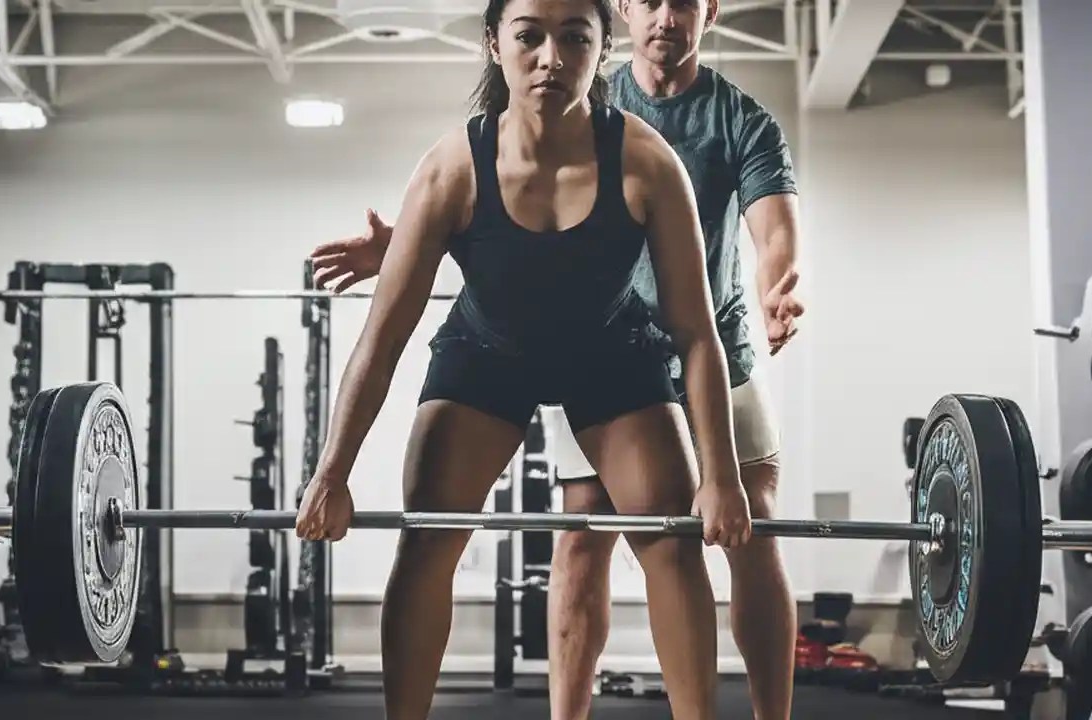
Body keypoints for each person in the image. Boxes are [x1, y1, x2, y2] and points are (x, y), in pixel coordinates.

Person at [310, 0, 803, 718]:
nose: (550, 57)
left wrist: (721, 478)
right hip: (485, 355)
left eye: (574, 38)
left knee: (670, 540)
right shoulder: (451, 167)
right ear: (493, 44)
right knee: (429, 538)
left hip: (611, 353)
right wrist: (332, 474)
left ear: (600, 48)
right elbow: (381, 339)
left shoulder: (645, 161)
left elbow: (695, 334)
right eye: (529, 37)